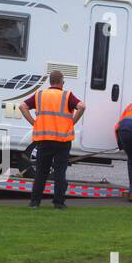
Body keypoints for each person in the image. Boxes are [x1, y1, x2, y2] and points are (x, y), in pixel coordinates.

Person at [20, 70, 85, 209]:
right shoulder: (67, 95)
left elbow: (22, 106)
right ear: (61, 82)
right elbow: (82, 106)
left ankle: (34, 202)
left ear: (50, 82)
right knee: (60, 171)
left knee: (41, 172)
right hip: (63, 140)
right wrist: (72, 122)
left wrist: (34, 122)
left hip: (44, 139)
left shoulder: (40, 95)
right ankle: (59, 203)